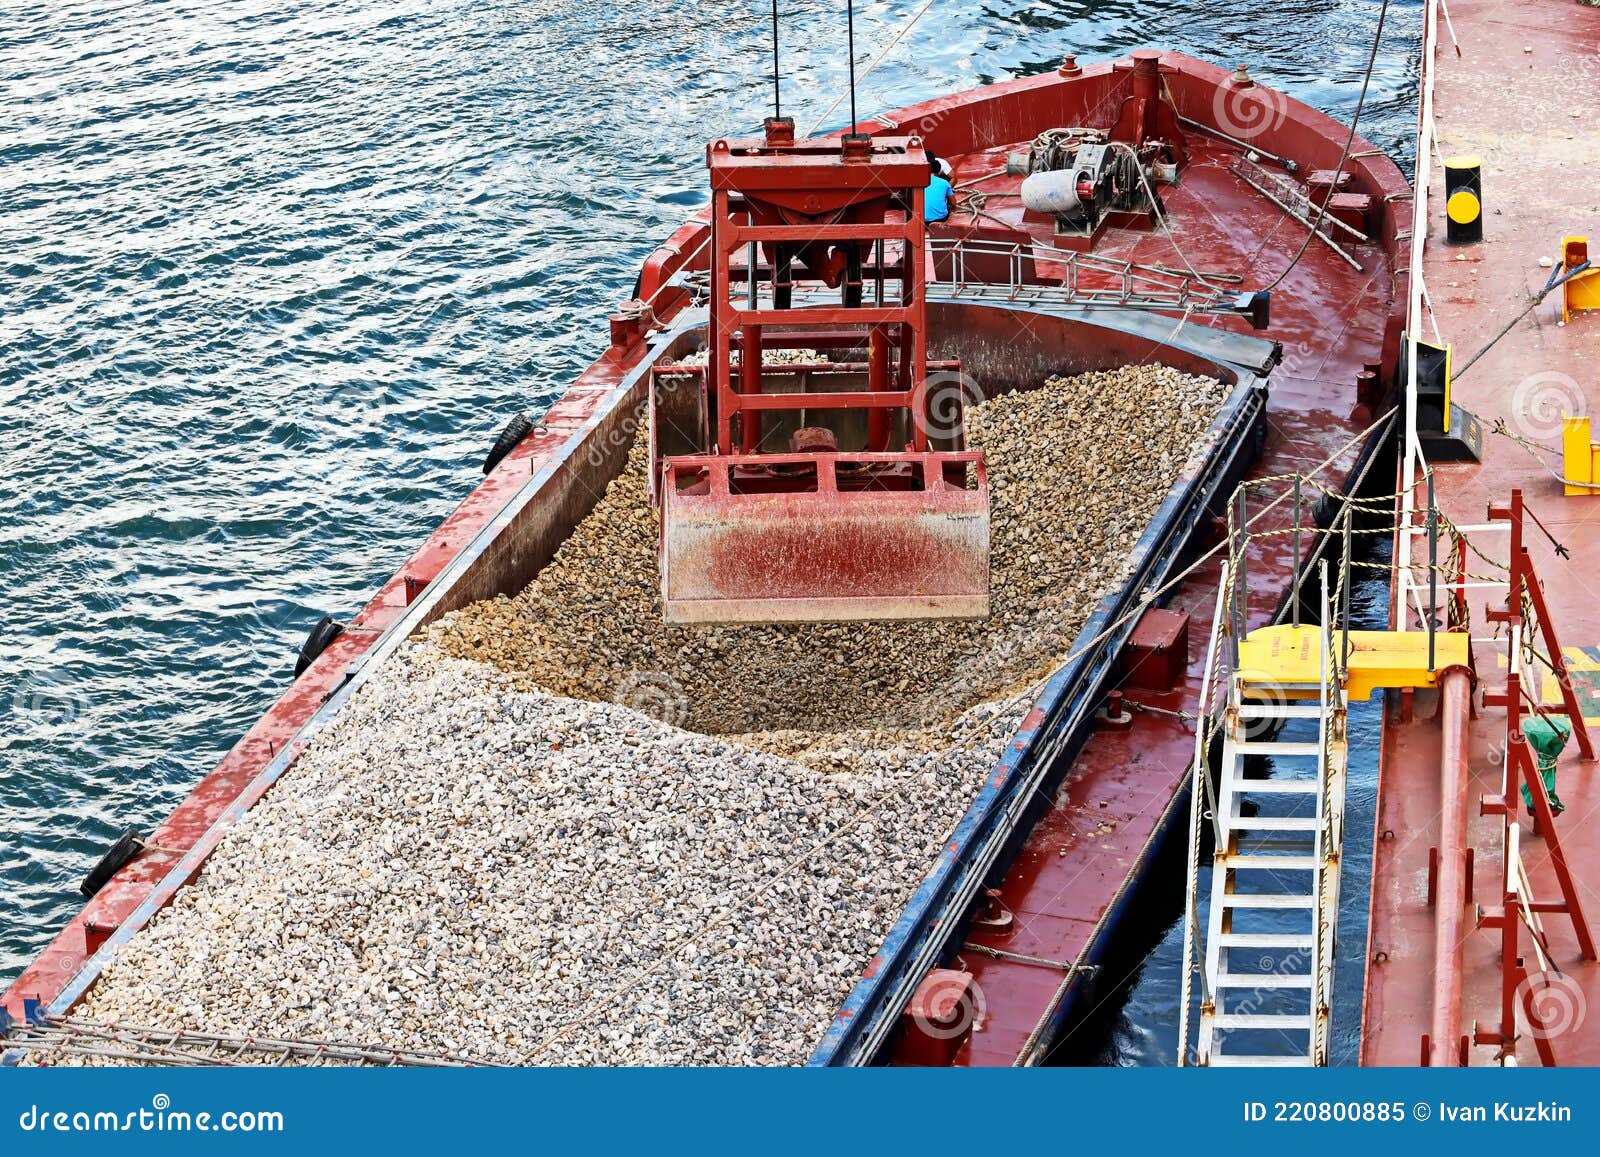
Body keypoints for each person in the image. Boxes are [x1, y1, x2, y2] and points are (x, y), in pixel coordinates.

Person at [924, 150, 954, 224]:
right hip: (941, 219)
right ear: (938, 171)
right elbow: (954, 203)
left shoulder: (919, 181)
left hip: (922, 220)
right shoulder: (944, 182)